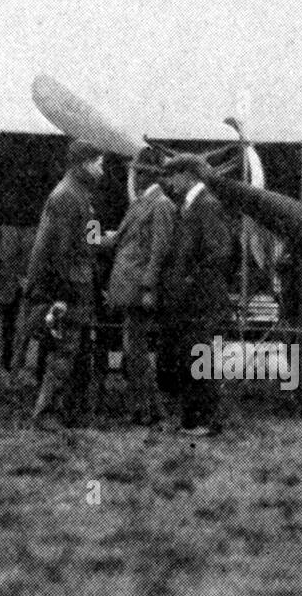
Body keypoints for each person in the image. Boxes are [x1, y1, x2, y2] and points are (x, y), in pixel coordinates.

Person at [24, 140, 105, 427]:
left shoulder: (74, 193)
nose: (101, 170)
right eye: (98, 163)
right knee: (64, 350)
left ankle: (65, 410)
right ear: (84, 163)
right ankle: (46, 414)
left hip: (73, 283)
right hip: (68, 286)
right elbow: (60, 249)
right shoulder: (69, 196)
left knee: (71, 350)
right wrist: (63, 294)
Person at [163, 172, 234, 434]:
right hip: (197, 296)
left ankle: (202, 420)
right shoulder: (199, 205)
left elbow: (220, 251)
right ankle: (197, 419)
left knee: (200, 354)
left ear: (187, 176)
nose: (168, 183)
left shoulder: (206, 206)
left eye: (172, 176)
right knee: (197, 355)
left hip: (202, 297)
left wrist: (191, 279)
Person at [106, 173, 177, 425]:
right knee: (134, 350)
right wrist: (96, 238)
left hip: (137, 289)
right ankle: (148, 409)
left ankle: (147, 409)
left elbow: (160, 251)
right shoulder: (143, 203)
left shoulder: (161, 205)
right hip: (129, 287)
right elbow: (124, 239)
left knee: (136, 351)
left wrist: (148, 287)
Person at [0, 224, 36, 378]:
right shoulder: (1, 223)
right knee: (6, 328)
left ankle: (16, 367)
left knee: (23, 329)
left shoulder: (37, 223)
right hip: (4, 284)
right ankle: (6, 368)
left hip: (27, 287)